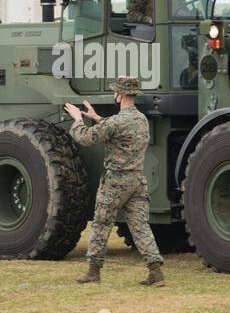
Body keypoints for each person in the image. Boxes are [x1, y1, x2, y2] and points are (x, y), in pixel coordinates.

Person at [64, 76, 164, 286]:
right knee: (140, 226)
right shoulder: (141, 120)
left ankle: (93, 271)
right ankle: (155, 272)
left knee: (101, 224)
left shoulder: (117, 121)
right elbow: (118, 131)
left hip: (116, 181)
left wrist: (77, 119)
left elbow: (87, 138)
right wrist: (97, 117)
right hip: (137, 179)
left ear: (119, 95)